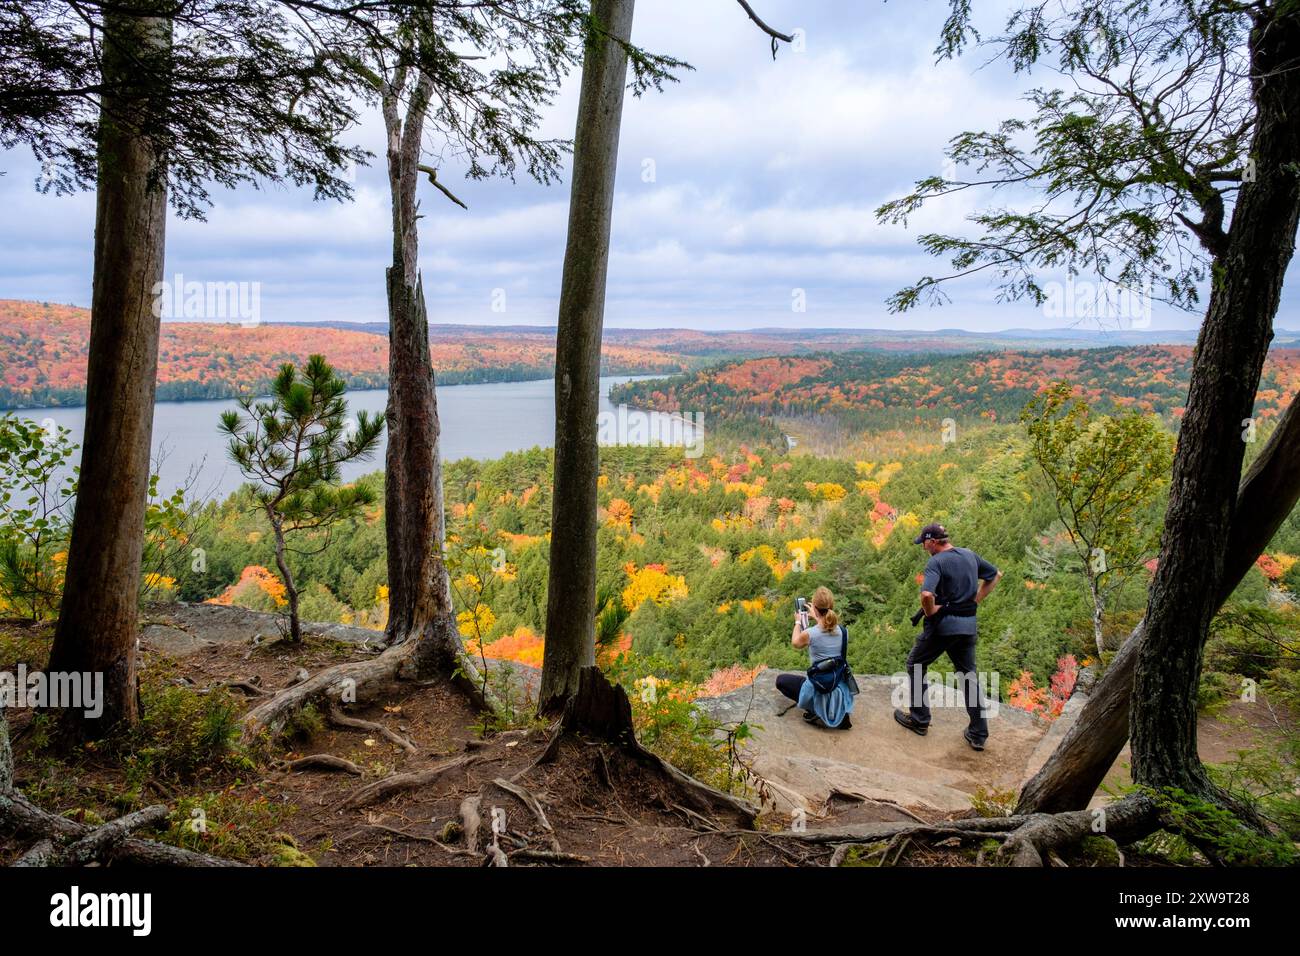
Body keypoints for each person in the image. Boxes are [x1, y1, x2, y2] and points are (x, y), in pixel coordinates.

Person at [894, 523, 1001, 750]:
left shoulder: (936, 562)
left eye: (923, 543)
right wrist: (975, 600)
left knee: (916, 663)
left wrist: (931, 610)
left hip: (943, 626)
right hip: (967, 625)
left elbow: (926, 594)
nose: (923, 548)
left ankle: (920, 719)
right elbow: (995, 575)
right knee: (967, 675)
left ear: (932, 541)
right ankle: (978, 733)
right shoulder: (969, 555)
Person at [777, 586, 855, 730]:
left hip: (820, 684)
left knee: (781, 681)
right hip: (838, 683)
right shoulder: (844, 632)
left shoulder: (811, 633)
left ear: (816, 608)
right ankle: (838, 710)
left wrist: (798, 622)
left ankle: (817, 710)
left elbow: (795, 642)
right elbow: (828, 628)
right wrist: (818, 616)